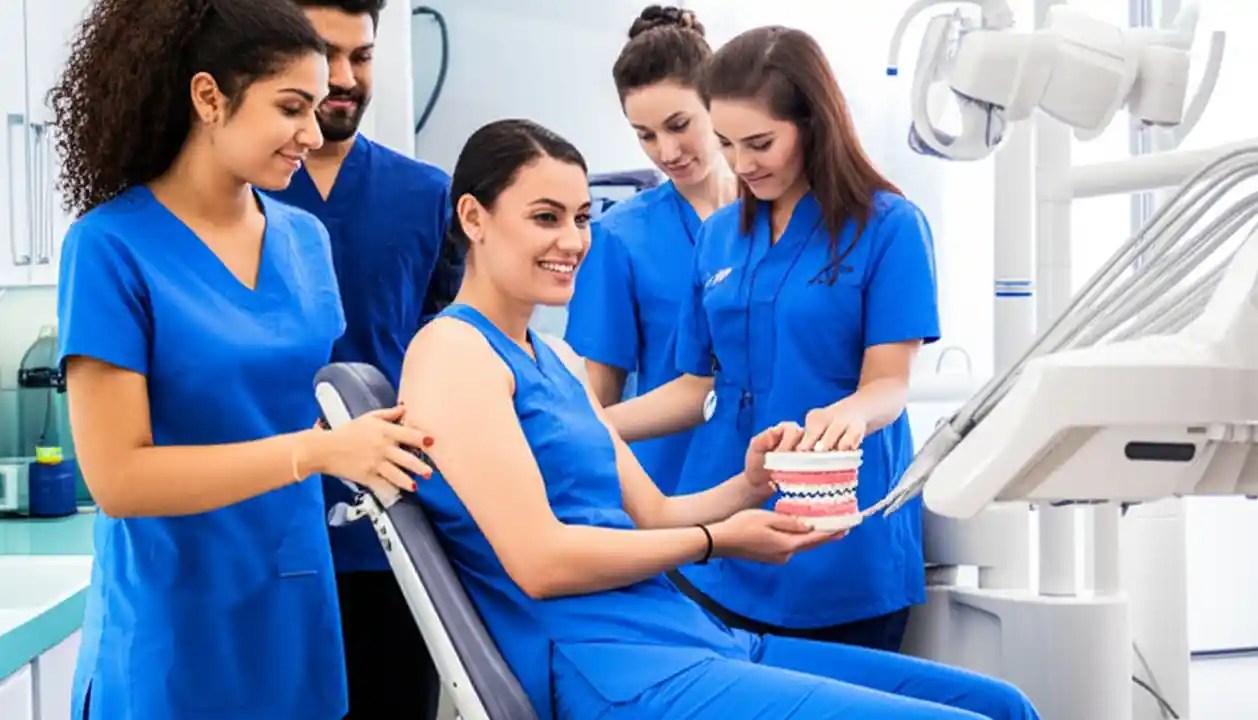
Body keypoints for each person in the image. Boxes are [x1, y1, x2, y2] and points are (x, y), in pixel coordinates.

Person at [398, 117, 1038, 719]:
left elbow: (656, 513)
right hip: (606, 662)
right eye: (545, 218)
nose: (573, 240)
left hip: (684, 634)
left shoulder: (556, 360)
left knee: (1005, 705)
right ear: (473, 217)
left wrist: (752, 484)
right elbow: (542, 563)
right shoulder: (453, 353)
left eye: (582, 217)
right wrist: (720, 541)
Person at [49, 1, 432, 717]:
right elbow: (119, 480)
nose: (312, 135)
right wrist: (316, 455)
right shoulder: (109, 248)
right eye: (291, 107)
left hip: (294, 596)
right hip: (175, 617)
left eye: (317, 109)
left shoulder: (303, 239)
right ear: (208, 97)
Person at [605, 25, 939, 653]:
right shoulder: (721, 235)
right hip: (723, 532)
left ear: (814, 123)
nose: (740, 164)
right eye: (727, 143)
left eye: (760, 143)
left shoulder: (889, 227)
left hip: (838, 533)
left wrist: (845, 415)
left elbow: (889, 385)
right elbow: (694, 389)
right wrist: (589, 425)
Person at [265, 2, 454, 715]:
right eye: (324, 54)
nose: (343, 79)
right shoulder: (235, 192)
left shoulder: (426, 195)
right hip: (266, 529)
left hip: (392, 534)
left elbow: (449, 354)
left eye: (362, 57)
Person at [563, 5, 735, 493]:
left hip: (775, 478)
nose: (666, 151)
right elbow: (596, 403)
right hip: (669, 490)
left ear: (717, 103)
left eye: (679, 125)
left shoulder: (778, 215)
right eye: (646, 135)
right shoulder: (620, 237)